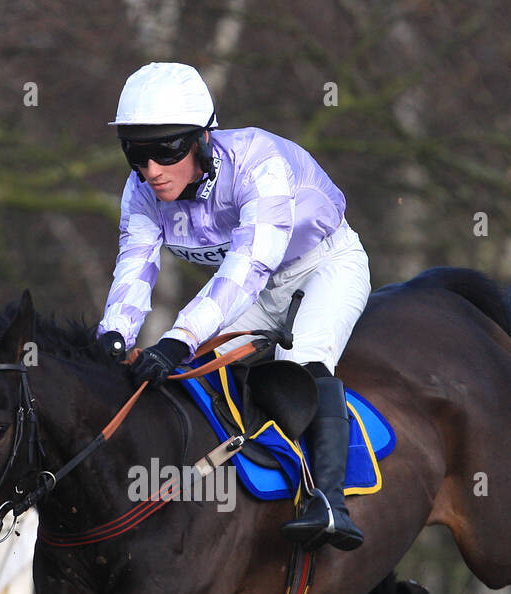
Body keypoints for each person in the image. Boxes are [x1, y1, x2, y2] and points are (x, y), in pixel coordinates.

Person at [96, 62, 371, 551]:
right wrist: (112, 337)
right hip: (256, 292)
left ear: (204, 138)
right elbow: (134, 268)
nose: (151, 170)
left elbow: (247, 268)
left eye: (167, 149)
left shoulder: (259, 163)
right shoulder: (141, 191)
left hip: (325, 266)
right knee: (198, 376)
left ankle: (331, 503)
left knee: (299, 365)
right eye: (136, 153)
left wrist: (178, 338)